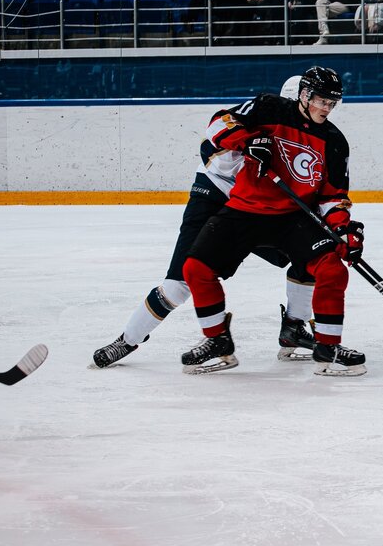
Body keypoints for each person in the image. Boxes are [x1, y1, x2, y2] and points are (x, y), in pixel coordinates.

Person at [92, 77, 319, 370]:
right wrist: (248, 142)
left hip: (258, 208)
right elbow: (212, 137)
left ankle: (293, 329)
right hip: (215, 197)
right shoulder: (258, 114)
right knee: (178, 284)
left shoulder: (311, 135)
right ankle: (128, 339)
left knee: (310, 252)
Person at [180, 66, 366, 376]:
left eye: (332, 103)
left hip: (293, 217)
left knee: (332, 269)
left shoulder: (334, 141)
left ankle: (327, 348)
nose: (326, 109)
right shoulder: (269, 107)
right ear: (305, 95)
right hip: (244, 209)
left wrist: (343, 229)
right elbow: (218, 125)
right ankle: (218, 342)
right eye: (321, 100)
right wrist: (247, 142)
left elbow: (332, 196)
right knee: (195, 268)